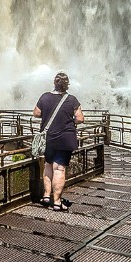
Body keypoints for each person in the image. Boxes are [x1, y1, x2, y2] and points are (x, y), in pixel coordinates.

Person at [33, 72, 84, 211]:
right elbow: (80, 118)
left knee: (48, 166)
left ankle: (45, 196)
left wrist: (48, 113)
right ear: (67, 85)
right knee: (59, 169)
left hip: (49, 138)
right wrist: (69, 120)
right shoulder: (72, 100)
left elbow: (36, 113)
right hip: (65, 139)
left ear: (54, 83)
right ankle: (56, 202)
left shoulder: (45, 96)